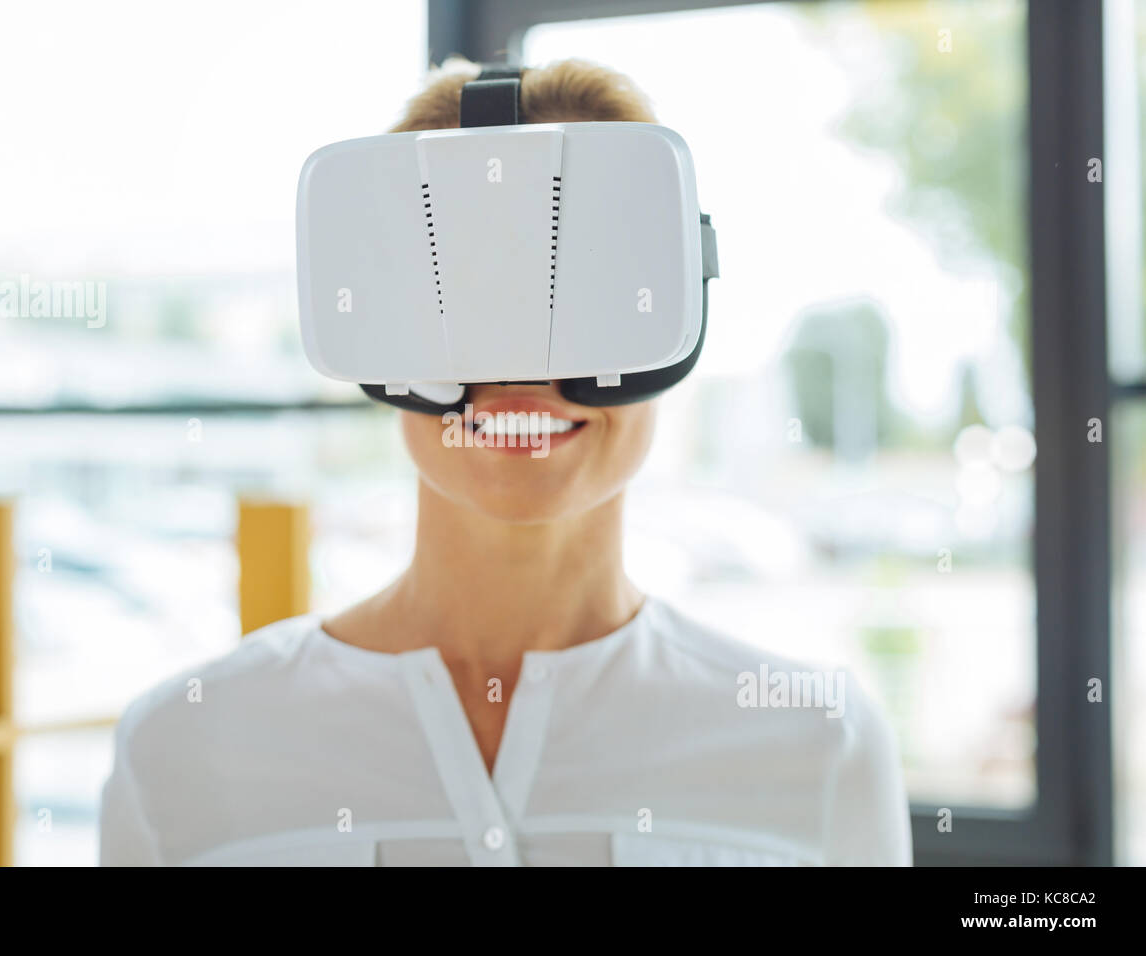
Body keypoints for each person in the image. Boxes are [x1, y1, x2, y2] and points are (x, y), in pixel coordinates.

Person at [99, 57, 912, 867]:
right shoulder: (183, 752)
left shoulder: (821, 746)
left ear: (679, 300)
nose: (523, 379)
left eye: (587, 285)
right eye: (463, 290)